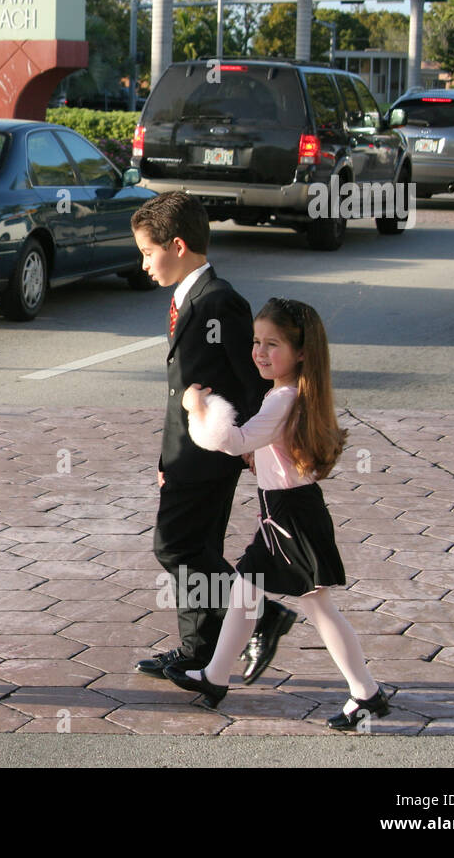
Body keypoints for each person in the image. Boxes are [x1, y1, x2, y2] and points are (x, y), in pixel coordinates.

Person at [166, 298, 390, 731]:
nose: (260, 352)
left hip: (290, 516)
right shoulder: (288, 394)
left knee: (318, 605)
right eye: (255, 342)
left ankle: (366, 692)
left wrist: (198, 409)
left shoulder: (282, 399)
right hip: (284, 511)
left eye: (273, 344)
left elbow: (234, 440)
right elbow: (265, 445)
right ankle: (215, 676)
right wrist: (260, 454)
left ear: (302, 352)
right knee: (249, 591)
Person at [130, 192, 295, 682]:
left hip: (212, 452)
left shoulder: (220, 301)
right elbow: (182, 390)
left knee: (175, 547)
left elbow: (252, 378)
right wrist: (167, 456)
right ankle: (197, 651)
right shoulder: (187, 298)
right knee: (198, 546)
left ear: (177, 245)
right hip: (187, 452)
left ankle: (264, 614)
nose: (143, 265)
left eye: (147, 252)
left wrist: (250, 444)